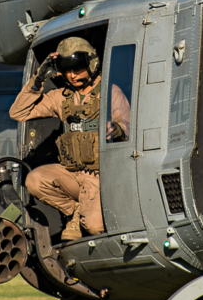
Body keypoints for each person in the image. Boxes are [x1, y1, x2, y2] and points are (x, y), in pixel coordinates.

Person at [9, 36, 130, 242]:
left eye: (77, 68)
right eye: (67, 70)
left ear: (91, 64)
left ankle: (84, 214)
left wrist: (117, 130)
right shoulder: (60, 97)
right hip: (71, 174)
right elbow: (18, 112)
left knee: (94, 228)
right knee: (35, 180)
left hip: (98, 177)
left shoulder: (110, 92)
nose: (72, 75)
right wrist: (38, 80)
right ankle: (73, 212)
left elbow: (129, 127)